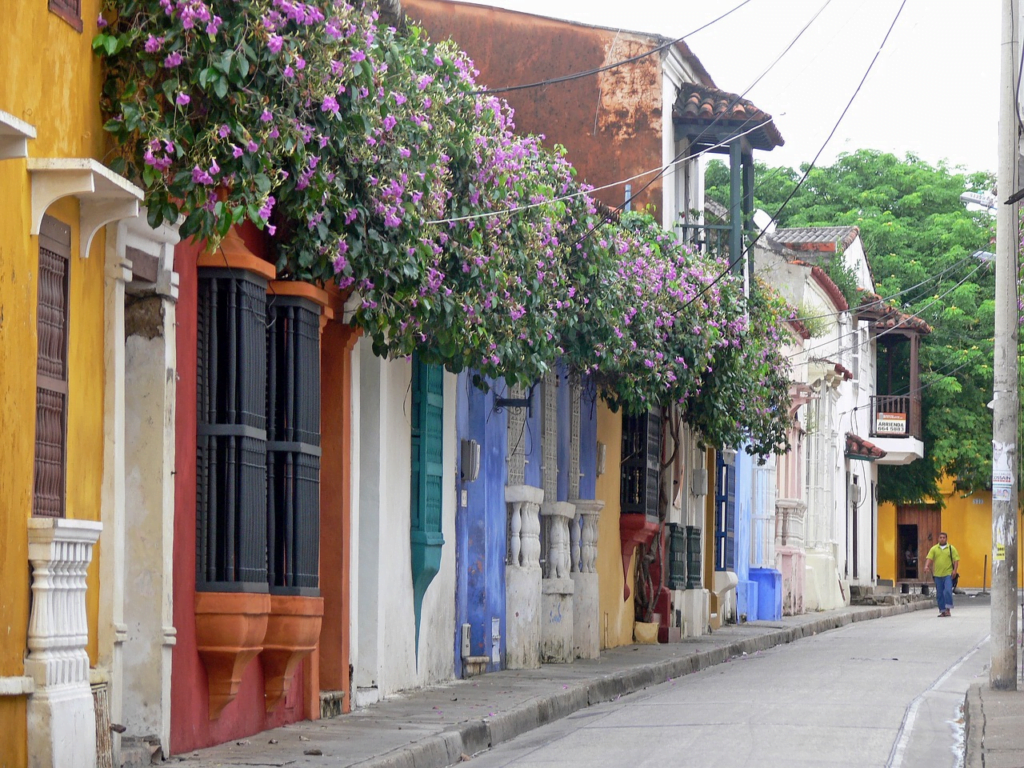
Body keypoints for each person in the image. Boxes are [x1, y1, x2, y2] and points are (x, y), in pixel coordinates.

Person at [923, 532, 960, 617]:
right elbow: (929, 558)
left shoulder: (951, 548)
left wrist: (955, 570)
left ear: (946, 539)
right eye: (940, 537)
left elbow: (956, 560)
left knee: (947, 591)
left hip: (948, 574)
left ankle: (948, 609)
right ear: (938, 539)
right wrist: (926, 566)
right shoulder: (934, 549)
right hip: (938, 575)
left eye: (944, 537)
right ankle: (942, 611)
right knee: (939, 593)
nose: (942, 539)